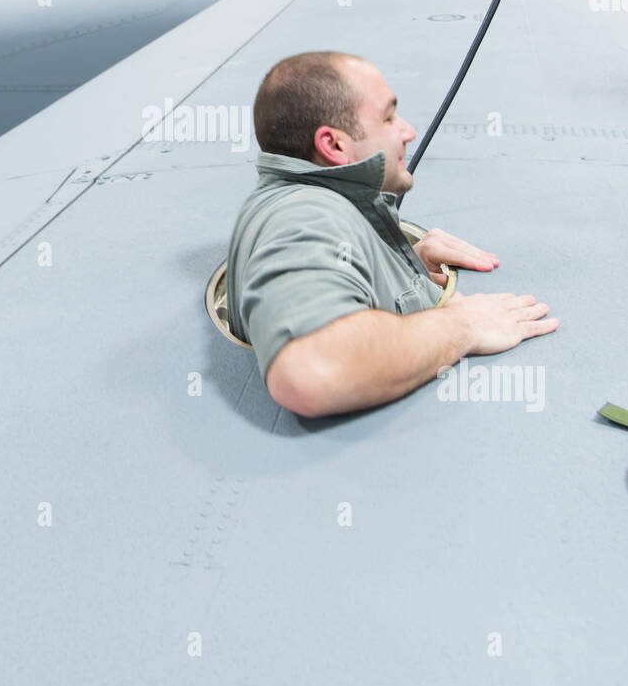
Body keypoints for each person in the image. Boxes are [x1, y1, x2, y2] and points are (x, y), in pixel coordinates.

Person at [225, 51, 559, 418]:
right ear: (334, 145)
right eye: (388, 118)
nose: (408, 131)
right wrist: (464, 326)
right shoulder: (306, 217)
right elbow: (311, 371)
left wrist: (400, 265)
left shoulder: (296, 198)